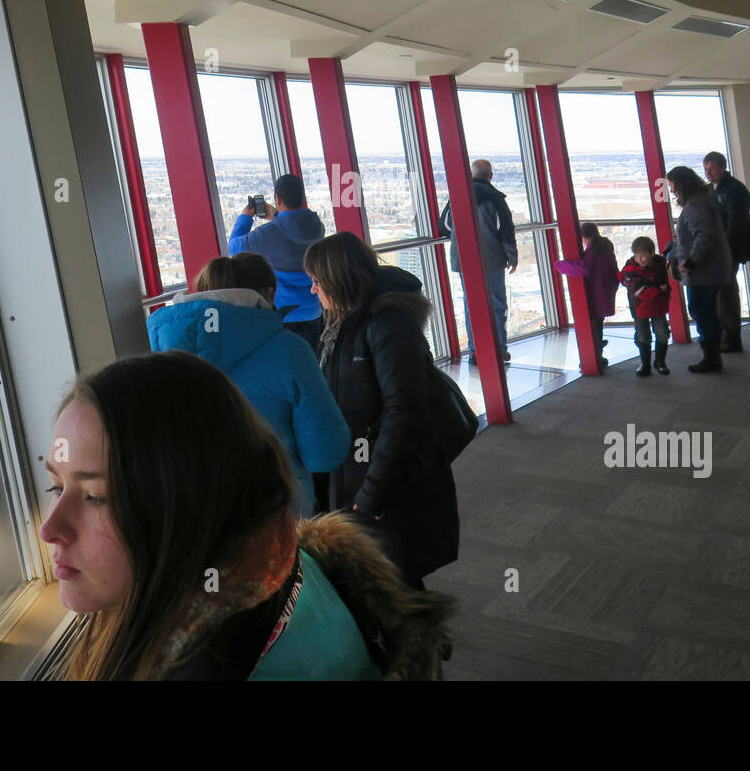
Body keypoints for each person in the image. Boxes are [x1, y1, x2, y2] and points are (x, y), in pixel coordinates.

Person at [41, 350, 455, 680]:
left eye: (96, 496)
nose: (49, 529)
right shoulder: (288, 566)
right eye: (57, 487)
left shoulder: (211, 660)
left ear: (187, 505)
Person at [304, 231, 459, 590]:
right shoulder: (338, 324)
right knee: (374, 583)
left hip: (384, 485)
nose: (313, 290)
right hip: (355, 478)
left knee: (395, 585)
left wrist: (372, 493)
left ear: (338, 279)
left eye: (316, 281)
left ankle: (423, 647)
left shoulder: (387, 324)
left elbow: (405, 410)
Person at [146, 252, 349, 517]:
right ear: (266, 293)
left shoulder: (163, 357)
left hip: (195, 514)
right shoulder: (289, 350)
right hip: (276, 512)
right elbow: (325, 453)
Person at [228, 173, 326, 351]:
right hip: (315, 312)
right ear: (303, 197)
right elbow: (294, 229)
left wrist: (245, 217)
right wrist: (277, 216)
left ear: (278, 198)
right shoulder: (317, 227)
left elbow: (234, 246)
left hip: (284, 315)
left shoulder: (267, 235)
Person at [437, 159, 517, 366]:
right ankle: (499, 350)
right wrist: (512, 257)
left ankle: (475, 352)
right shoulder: (496, 199)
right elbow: (506, 231)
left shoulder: (457, 197)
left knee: (470, 305)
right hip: (492, 260)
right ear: (490, 176)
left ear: (470, 176)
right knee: (497, 305)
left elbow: (444, 226)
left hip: (464, 260)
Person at [665, 166, 733, 373]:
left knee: (701, 311)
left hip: (704, 272)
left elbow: (704, 236)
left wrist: (690, 262)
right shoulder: (705, 199)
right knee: (708, 311)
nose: (672, 191)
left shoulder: (695, 205)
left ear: (681, 185)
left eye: (673, 186)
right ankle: (713, 355)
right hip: (715, 268)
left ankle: (711, 358)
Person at [702, 151, 750, 353]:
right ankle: (724, 335)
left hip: (728, 251)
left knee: (727, 294)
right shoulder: (713, 190)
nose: (708, 173)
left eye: (712, 168)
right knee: (721, 294)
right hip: (719, 250)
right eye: (705, 169)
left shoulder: (734, 191)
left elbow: (736, 225)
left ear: (723, 167)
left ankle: (731, 338)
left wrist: (728, 252)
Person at [554, 222, 620, 371]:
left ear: (583, 237)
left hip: (597, 291)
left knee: (594, 323)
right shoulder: (606, 245)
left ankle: (595, 356)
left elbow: (584, 269)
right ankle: (599, 353)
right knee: (599, 322)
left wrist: (560, 265)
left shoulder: (592, 251)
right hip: (608, 288)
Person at [618, 236, 671, 377]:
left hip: (657, 306)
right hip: (640, 308)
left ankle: (660, 362)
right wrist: (660, 290)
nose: (639, 259)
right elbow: (642, 292)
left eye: (643, 256)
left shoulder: (660, 265)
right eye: (637, 256)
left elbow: (663, 286)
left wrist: (661, 290)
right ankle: (645, 364)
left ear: (652, 254)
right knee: (643, 336)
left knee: (662, 333)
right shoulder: (630, 270)